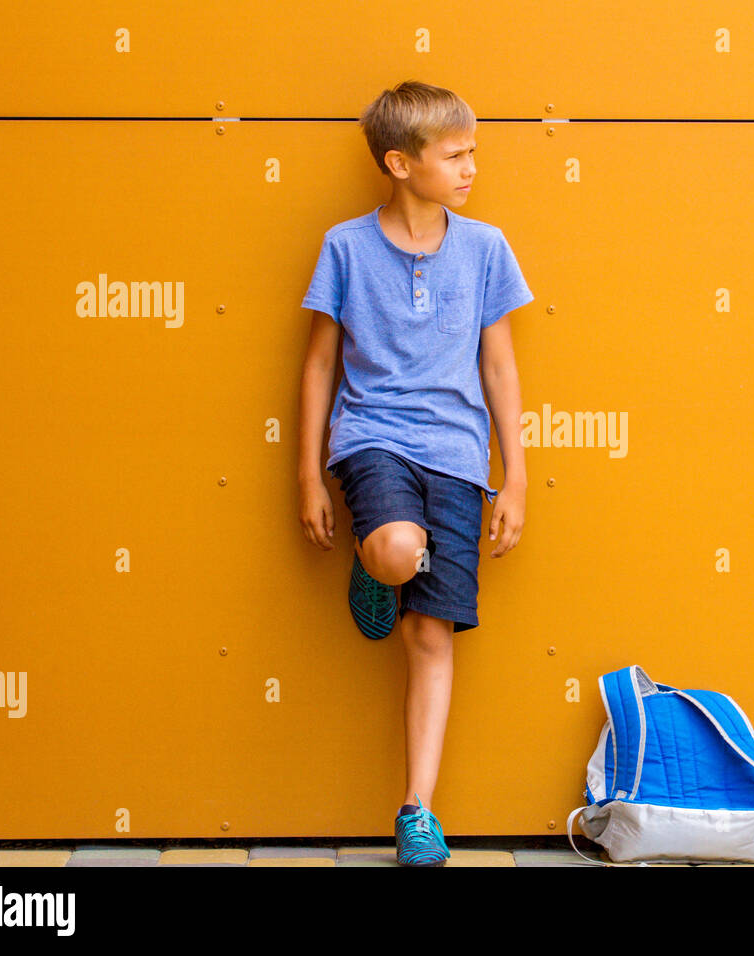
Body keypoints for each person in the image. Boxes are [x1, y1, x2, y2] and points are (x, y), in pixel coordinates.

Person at [295, 80, 534, 866]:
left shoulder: (486, 247)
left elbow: (499, 366)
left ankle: (416, 809)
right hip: (373, 438)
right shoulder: (345, 246)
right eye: (456, 154)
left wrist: (518, 476)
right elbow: (320, 362)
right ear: (400, 163)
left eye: (474, 152)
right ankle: (378, 563)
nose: (472, 167)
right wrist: (306, 476)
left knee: (431, 634)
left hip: (459, 458)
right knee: (398, 550)